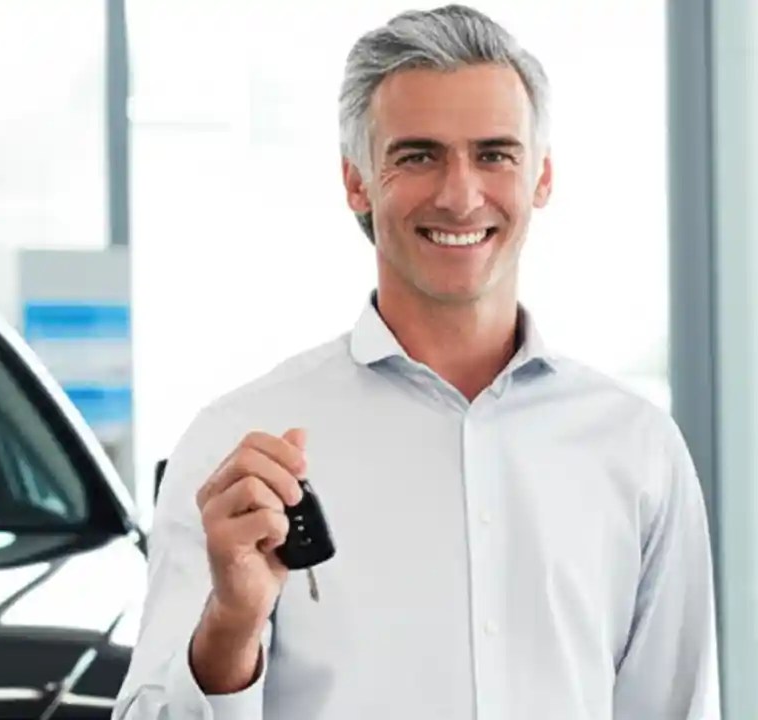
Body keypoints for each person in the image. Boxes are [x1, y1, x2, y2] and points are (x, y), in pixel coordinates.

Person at [112, 4, 720, 719]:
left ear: (542, 178)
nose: (460, 196)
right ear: (357, 181)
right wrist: (232, 624)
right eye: (418, 155)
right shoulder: (240, 448)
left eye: (495, 154)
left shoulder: (637, 449)